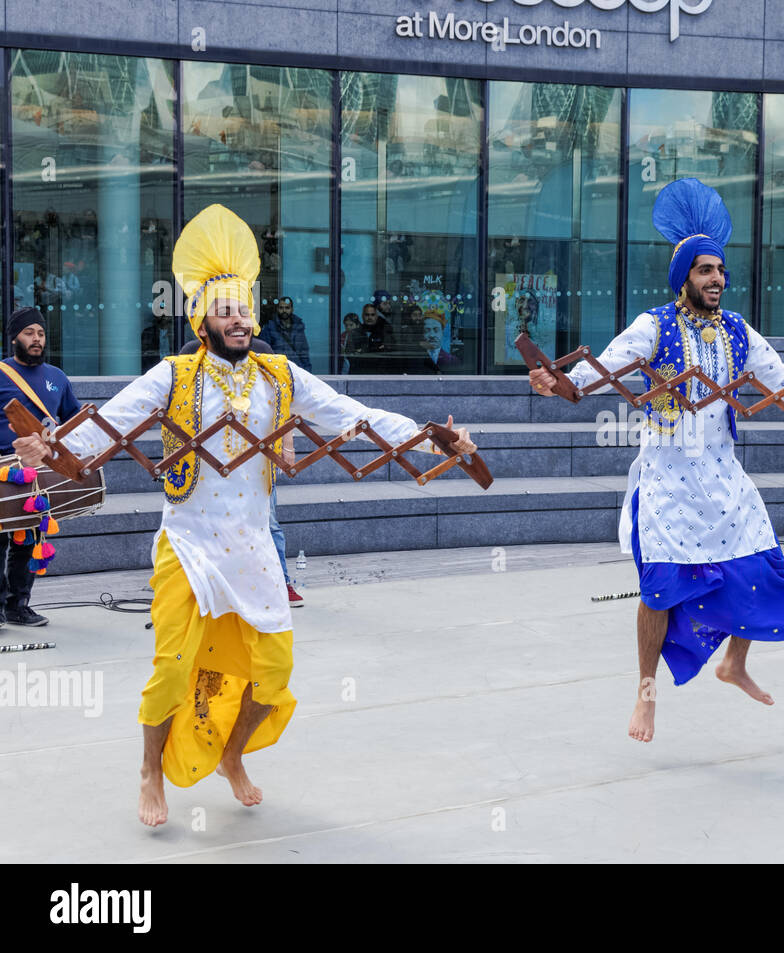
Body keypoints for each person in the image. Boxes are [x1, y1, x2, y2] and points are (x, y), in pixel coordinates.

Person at [14, 204, 476, 827]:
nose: (238, 319)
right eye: (225, 310)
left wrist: (429, 439)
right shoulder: (172, 375)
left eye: (244, 309)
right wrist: (54, 447)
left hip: (253, 546)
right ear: (203, 318)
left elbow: (351, 415)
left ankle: (233, 755)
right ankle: (151, 770)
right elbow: (110, 424)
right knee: (173, 670)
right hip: (189, 542)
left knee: (275, 669)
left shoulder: (279, 376)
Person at [529, 178, 784, 743]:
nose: (716, 279)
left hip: (723, 476)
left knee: (762, 565)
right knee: (659, 592)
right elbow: (602, 372)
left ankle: (734, 662)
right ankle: (646, 695)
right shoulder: (655, 326)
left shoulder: (740, 331)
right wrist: (560, 383)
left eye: (719, 270)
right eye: (704, 271)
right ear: (683, 277)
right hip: (666, 478)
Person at [178, 336, 303, 607]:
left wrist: (287, 448)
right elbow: (181, 404)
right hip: (209, 461)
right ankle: (208, 587)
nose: (236, 319)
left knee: (268, 523)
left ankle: (281, 582)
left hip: (259, 460)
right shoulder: (191, 353)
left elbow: (284, 403)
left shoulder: (262, 350)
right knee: (206, 524)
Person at [0, 306, 81, 627]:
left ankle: (17, 607)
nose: (36, 339)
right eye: (29, 333)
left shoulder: (57, 378)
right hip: (4, 470)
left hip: (39, 474)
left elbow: (74, 421)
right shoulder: (2, 373)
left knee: (29, 541)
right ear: (14, 338)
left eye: (41, 333)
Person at [257, 295, 311, 370]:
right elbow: (264, 353)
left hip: (297, 370)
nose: (284, 311)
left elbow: (304, 352)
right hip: (278, 369)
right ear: (277, 309)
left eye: (287, 308)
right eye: (281, 308)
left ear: (292, 309)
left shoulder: (298, 327)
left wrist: (307, 371)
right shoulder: (270, 327)